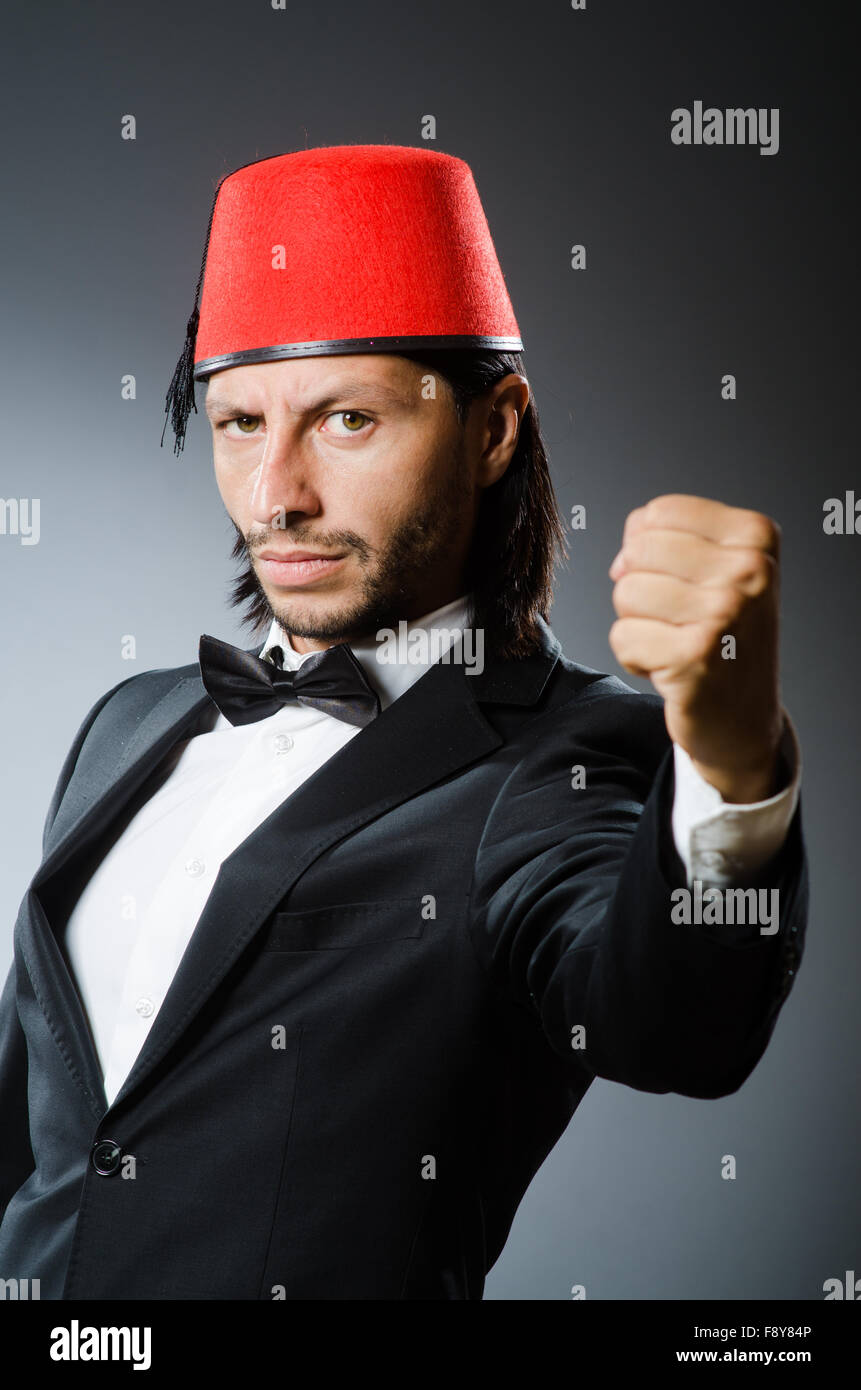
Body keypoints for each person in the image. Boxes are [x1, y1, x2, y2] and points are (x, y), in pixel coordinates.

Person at [0, 144, 806, 1300]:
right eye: (236, 422)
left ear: (493, 429)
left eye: (346, 420)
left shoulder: (558, 756)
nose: (276, 491)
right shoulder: (128, 725)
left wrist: (727, 755)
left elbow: (676, 1024)